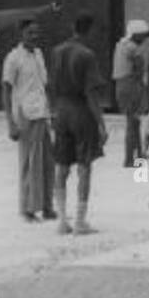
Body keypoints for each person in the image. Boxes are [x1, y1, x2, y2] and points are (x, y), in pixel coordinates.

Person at [48, 12, 109, 235]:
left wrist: (54, 110)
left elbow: (51, 84)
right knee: (84, 166)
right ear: (89, 30)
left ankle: (62, 220)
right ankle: (81, 221)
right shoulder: (87, 55)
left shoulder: (56, 51)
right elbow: (91, 93)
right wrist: (100, 123)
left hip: (61, 109)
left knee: (62, 166)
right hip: (80, 110)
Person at [2, 19, 55, 223]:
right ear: (21, 34)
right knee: (29, 163)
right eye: (30, 33)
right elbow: (6, 90)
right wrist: (10, 123)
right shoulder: (13, 58)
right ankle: (27, 210)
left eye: (37, 32)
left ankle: (47, 207)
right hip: (25, 114)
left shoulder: (39, 54)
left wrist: (52, 110)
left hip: (42, 112)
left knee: (47, 163)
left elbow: (44, 85)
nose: (34, 36)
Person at [113, 19, 149, 168]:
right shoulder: (133, 48)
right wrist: (142, 90)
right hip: (131, 85)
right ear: (135, 35)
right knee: (132, 123)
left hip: (120, 85)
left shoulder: (120, 45)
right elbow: (139, 70)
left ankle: (139, 154)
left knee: (134, 122)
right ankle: (129, 159)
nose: (144, 39)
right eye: (142, 36)